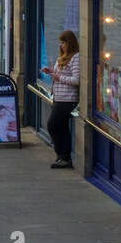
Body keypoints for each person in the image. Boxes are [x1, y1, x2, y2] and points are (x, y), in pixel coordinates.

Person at [42, 30, 81, 168]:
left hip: (68, 99)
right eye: (60, 43)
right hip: (58, 97)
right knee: (62, 128)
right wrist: (50, 72)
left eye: (63, 43)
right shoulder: (63, 56)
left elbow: (77, 80)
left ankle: (62, 155)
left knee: (52, 125)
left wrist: (59, 77)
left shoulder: (76, 57)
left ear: (70, 43)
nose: (61, 45)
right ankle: (64, 158)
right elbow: (58, 75)